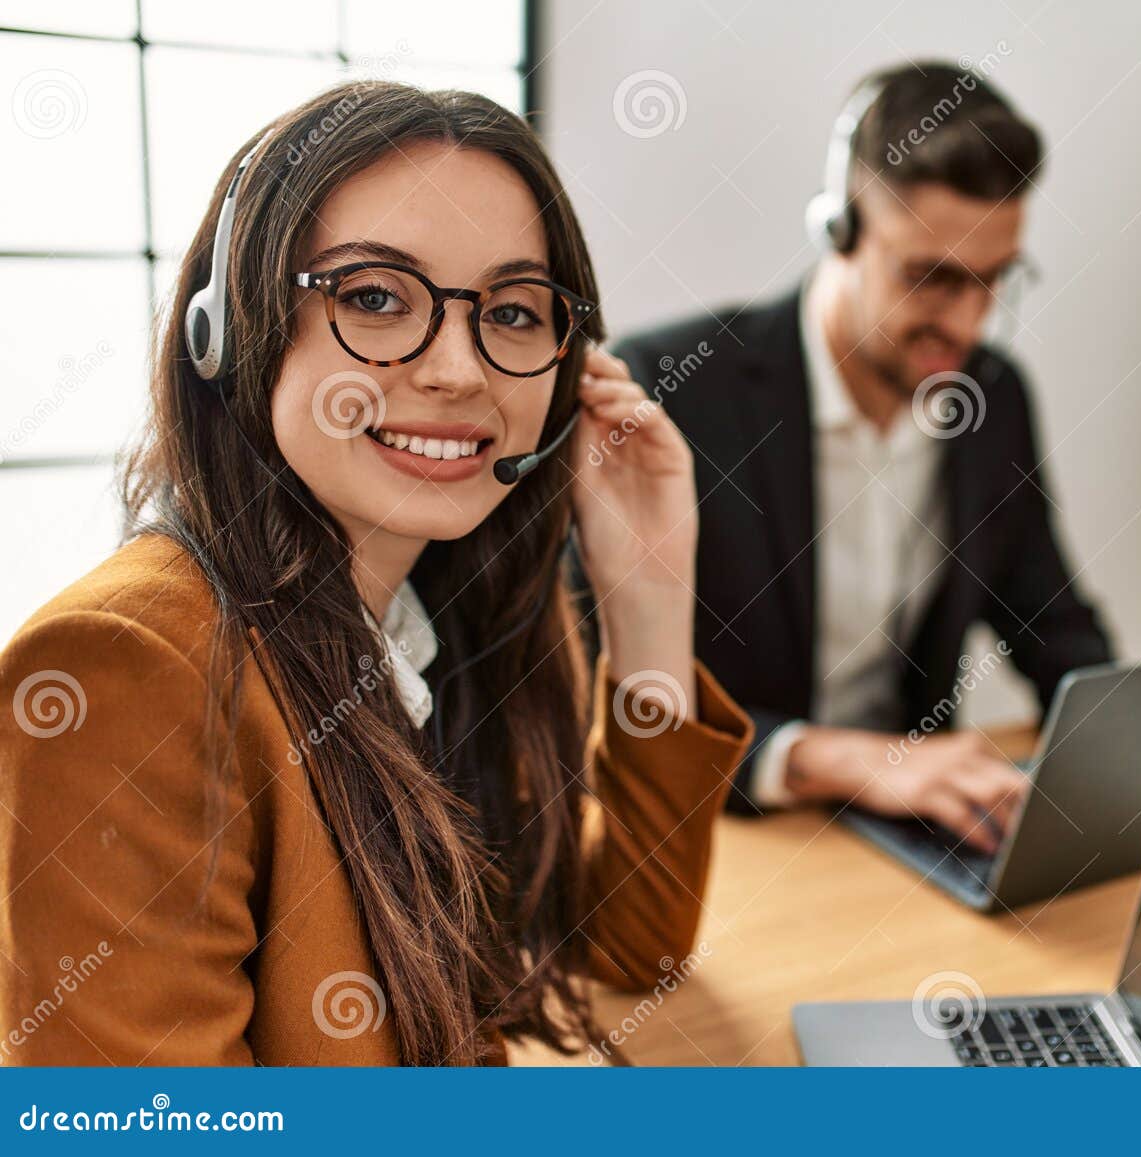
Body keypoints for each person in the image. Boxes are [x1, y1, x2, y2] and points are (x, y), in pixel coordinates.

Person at [0, 82, 750, 1066]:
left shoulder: (430, 615)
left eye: (512, 311)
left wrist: (648, 594)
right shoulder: (128, 667)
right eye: (375, 298)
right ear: (231, 329)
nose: (458, 371)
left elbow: (630, 945)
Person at [613, 63, 1111, 852]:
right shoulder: (672, 392)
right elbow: (604, 687)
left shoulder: (993, 396)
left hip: (911, 838)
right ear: (838, 231)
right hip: (733, 834)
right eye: (933, 278)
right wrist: (845, 761)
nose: (968, 324)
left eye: (993, 281)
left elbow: (1052, 622)